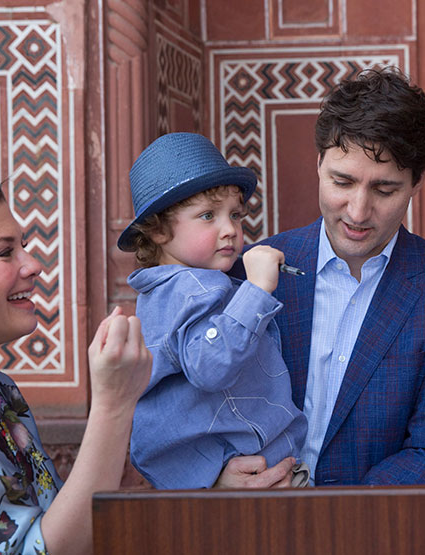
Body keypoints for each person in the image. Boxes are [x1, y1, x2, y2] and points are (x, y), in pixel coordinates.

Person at [219, 66, 425, 487]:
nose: (358, 212)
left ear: (417, 183)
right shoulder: (252, 268)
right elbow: (194, 400)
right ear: (318, 163)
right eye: (342, 181)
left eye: (384, 190)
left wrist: (338, 522)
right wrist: (215, 475)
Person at [0, 168, 151, 555]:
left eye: (24, 246)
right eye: (4, 253)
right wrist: (113, 405)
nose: (32, 265)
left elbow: (63, 522)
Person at [117, 132, 308, 489]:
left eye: (235, 215)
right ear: (158, 230)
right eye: (207, 216)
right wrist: (256, 290)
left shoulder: (164, 292)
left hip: (210, 475)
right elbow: (211, 366)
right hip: (249, 470)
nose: (230, 230)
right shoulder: (191, 287)